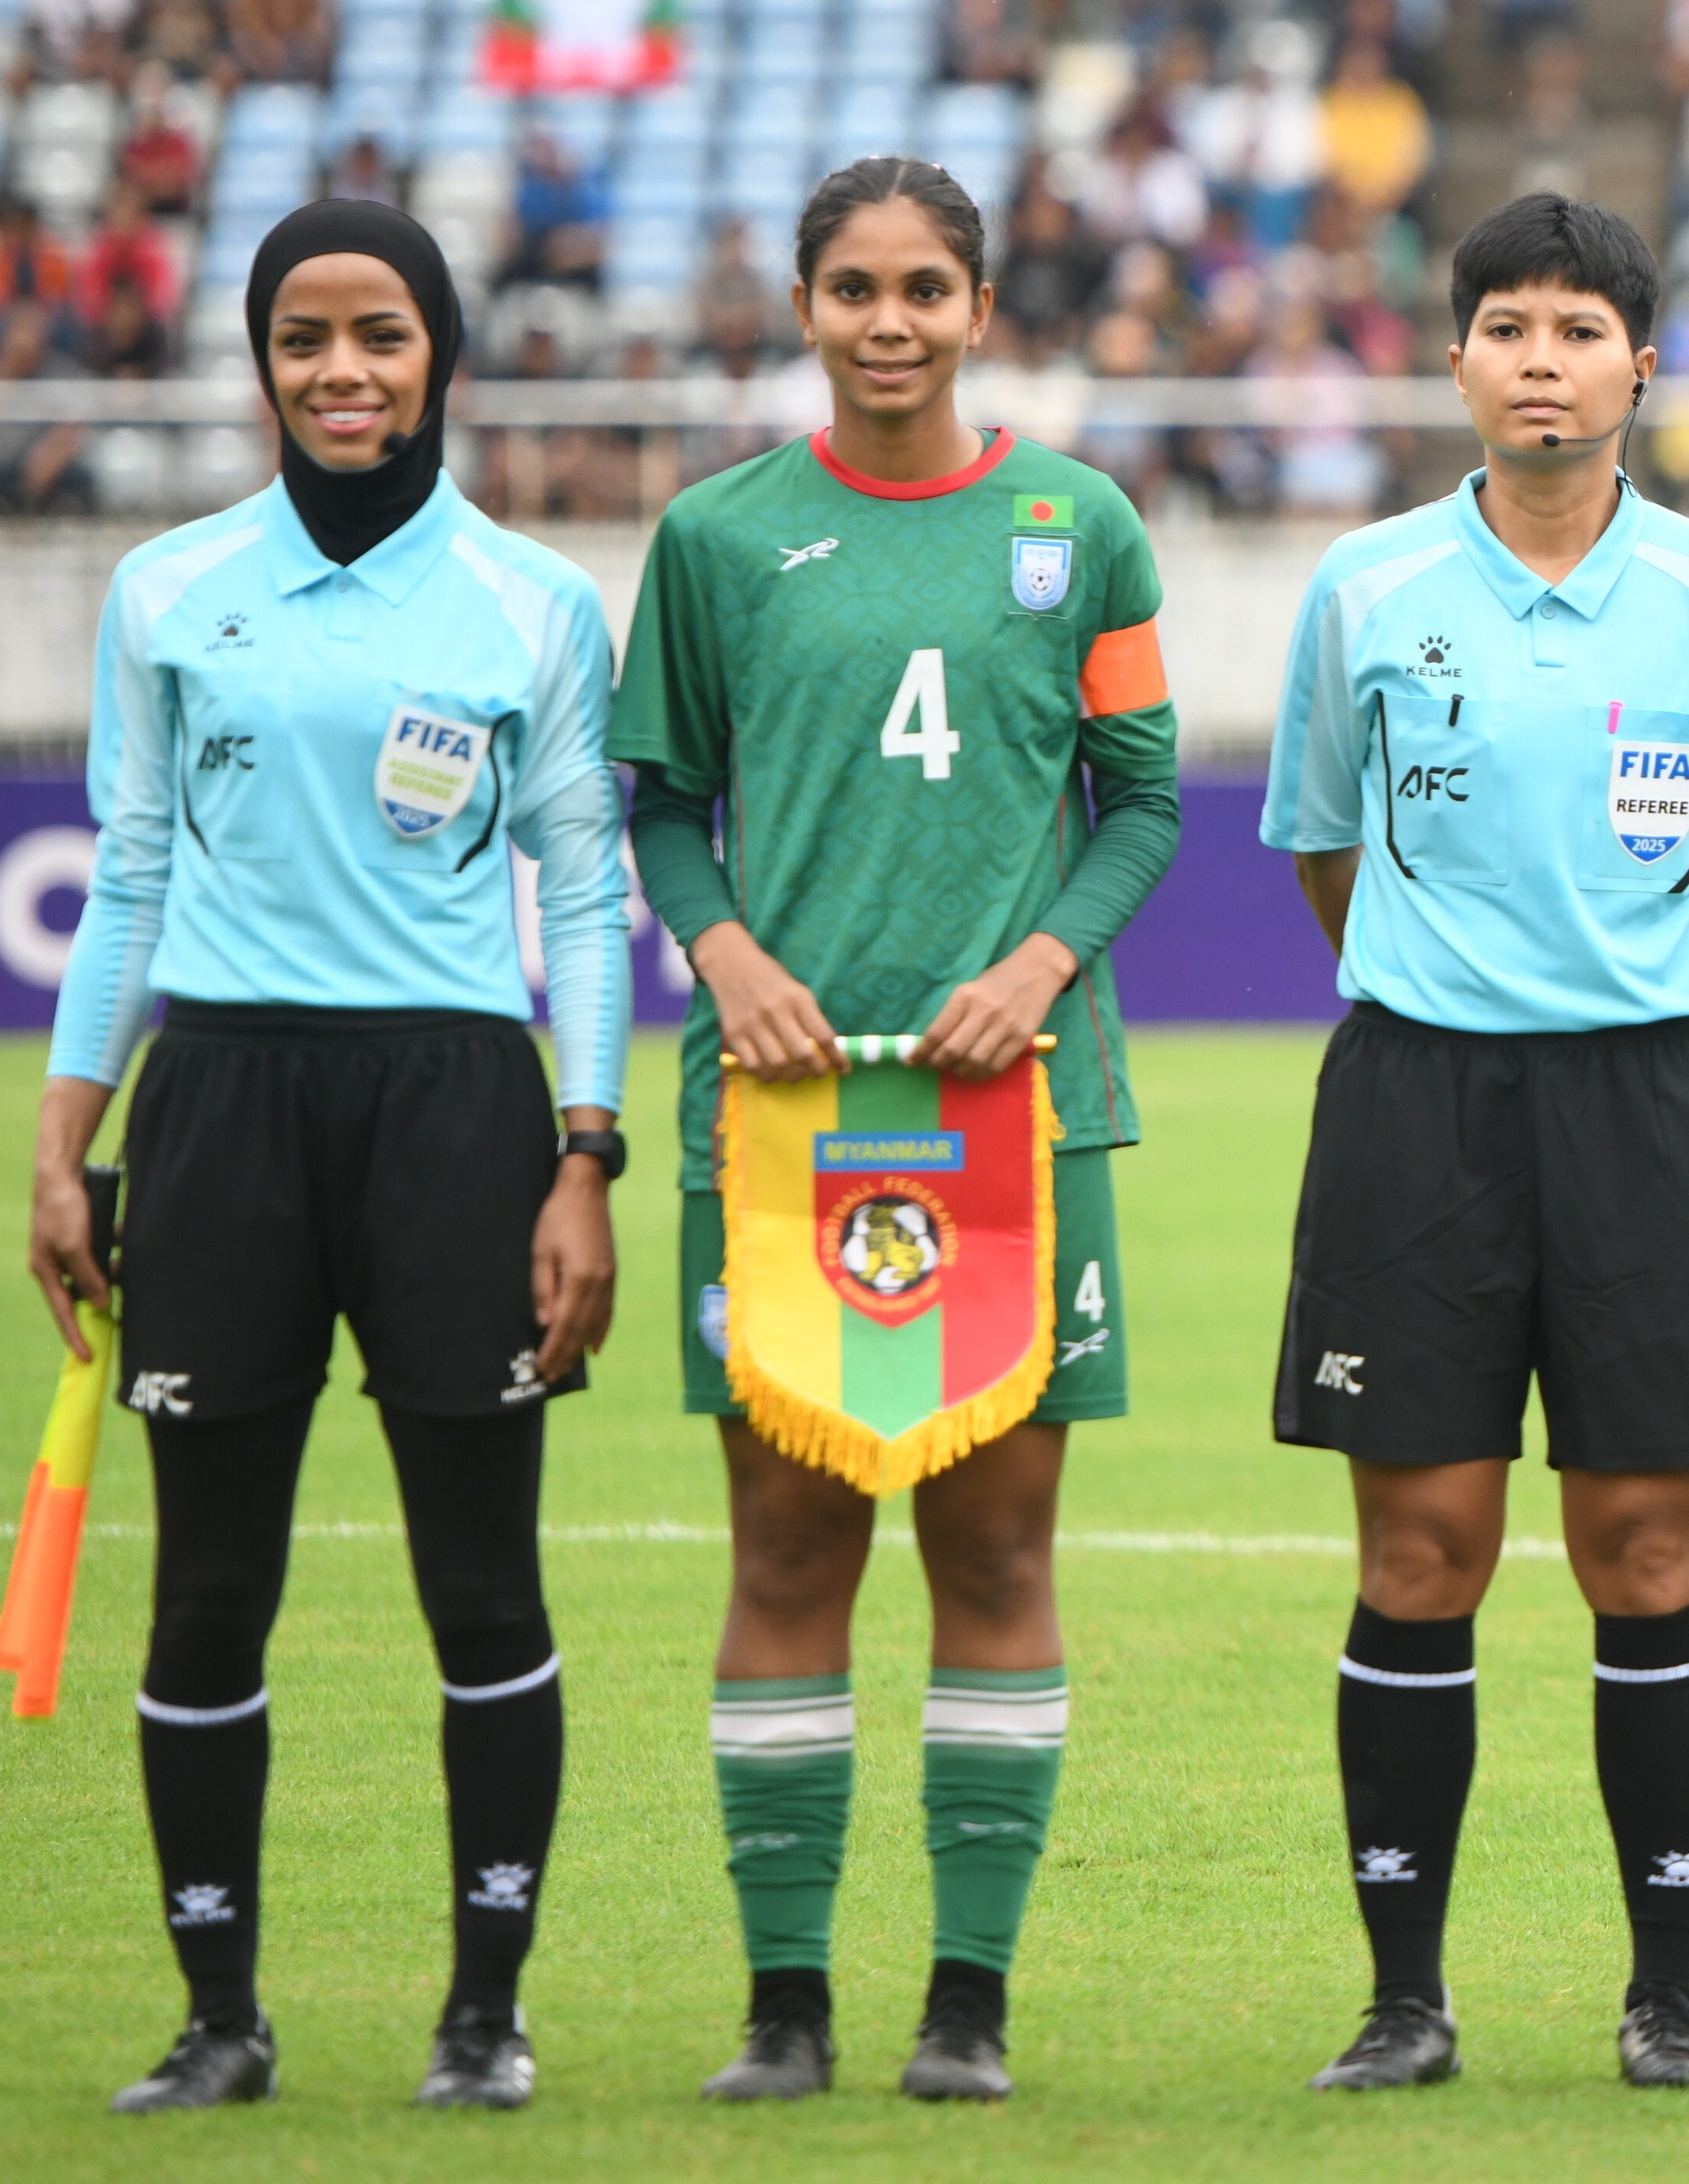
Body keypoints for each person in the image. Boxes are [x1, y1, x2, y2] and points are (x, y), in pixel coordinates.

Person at [26, 197, 630, 2113]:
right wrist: (68, 1135)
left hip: (459, 1112)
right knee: (207, 1585)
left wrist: (585, 1151)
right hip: (218, 1111)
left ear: (441, 352)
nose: (343, 371)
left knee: (485, 1584)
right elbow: (127, 870)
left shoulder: (531, 602)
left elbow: (590, 892)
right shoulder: (168, 588)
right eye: (305, 337)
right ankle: (219, 2017)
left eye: (380, 333)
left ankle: (485, 2012)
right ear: (261, 361)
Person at [610, 158, 1181, 2107]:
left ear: (979, 303)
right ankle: (783, 2002)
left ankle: (967, 1997)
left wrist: (1040, 962)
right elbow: (664, 799)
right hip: (774, 1122)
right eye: (854, 286)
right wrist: (722, 948)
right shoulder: (713, 536)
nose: (889, 321)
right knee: (783, 1547)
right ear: (799, 302)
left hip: (1022, 1121)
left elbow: (1147, 804)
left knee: (997, 1543)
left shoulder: (1078, 525)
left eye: (925, 287)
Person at [1260, 192, 1689, 2095]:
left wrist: (1627, 975)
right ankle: (1400, 1994)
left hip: (1647, 1100)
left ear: (1640, 363)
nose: (1540, 358)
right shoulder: (1362, 588)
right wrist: (1456, 988)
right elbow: (1324, 850)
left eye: (1577, 329)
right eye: (1504, 325)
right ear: (1455, 360)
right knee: (1422, 1549)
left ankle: (1662, 1993)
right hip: (1417, 1098)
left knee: (1646, 1544)